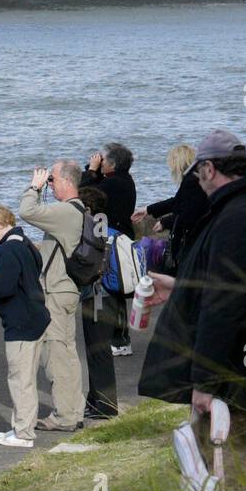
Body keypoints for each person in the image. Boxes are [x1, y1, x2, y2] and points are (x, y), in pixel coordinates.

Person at [138, 130, 246, 471]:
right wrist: (181, 287)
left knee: (216, 471)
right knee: (228, 464)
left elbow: (224, 305)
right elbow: (236, 287)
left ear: (208, 170)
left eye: (197, 172)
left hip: (227, 368)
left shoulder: (234, 219)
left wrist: (205, 383)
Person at [0, 205, 50, 449]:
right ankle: (23, 424)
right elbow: (24, 279)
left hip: (21, 323)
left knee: (20, 379)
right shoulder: (25, 242)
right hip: (36, 317)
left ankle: (24, 433)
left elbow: (4, 287)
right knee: (27, 378)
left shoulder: (8, 250)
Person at [19, 161, 86, 432]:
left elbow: (26, 211)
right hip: (67, 288)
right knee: (68, 353)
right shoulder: (78, 210)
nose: (50, 184)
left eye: (52, 179)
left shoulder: (66, 211)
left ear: (67, 182)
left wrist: (34, 187)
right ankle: (74, 410)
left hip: (57, 291)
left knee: (57, 354)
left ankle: (64, 416)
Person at [82, 143, 136, 355]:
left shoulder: (113, 184)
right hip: (119, 237)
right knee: (114, 289)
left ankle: (119, 340)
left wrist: (92, 171)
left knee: (112, 289)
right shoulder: (121, 179)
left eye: (102, 159)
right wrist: (94, 168)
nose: (99, 161)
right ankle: (118, 338)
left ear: (111, 163)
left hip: (111, 242)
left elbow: (84, 194)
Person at [77, 185, 119, 420]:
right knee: (99, 349)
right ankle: (96, 399)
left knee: (97, 350)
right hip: (111, 295)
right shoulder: (111, 231)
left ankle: (105, 404)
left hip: (96, 295)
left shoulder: (93, 233)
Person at [134, 143, 205, 274]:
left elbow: (189, 215)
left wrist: (164, 222)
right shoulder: (194, 179)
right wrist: (148, 209)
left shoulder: (192, 182)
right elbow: (176, 202)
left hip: (190, 241)